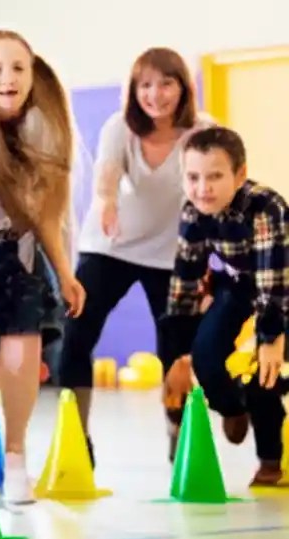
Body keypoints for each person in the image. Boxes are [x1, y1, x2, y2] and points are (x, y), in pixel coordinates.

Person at [58, 47, 214, 461]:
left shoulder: (201, 132)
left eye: (166, 83)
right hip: (109, 246)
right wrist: (106, 201)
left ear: (183, 87)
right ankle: (77, 438)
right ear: (133, 90)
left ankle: (177, 432)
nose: (156, 94)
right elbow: (107, 174)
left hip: (171, 255)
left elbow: (215, 192)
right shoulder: (119, 127)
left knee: (176, 347)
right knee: (76, 334)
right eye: (145, 85)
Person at [0, 30, 87, 504]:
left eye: (18, 68)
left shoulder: (43, 130)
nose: (8, 78)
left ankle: (15, 456)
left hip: (21, 255)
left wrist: (65, 271)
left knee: (21, 356)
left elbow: (48, 215)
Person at [159, 127, 288, 486]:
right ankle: (233, 408)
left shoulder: (266, 207)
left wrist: (270, 336)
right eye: (193, 177)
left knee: (265, 371)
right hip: (239, 286)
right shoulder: (193, 212)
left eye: (215, 176)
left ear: (240, 174)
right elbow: (184, 280)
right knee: (205, 355)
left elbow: (272, 281)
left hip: (280, 286)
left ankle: (270, 459)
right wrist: (177, 355)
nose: (203, 188)